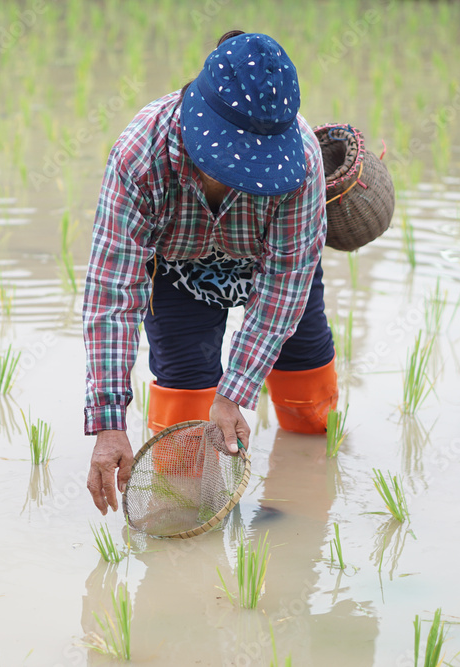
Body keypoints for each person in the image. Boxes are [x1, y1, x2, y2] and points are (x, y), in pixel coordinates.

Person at [83, 30, 337, 515]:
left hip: (274, 264)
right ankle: (190, 543)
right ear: (194, 126)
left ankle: (304, 508)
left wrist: (236, 392)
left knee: (310, 409)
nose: (241, 180)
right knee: (185, 422)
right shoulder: (142, 155)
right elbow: (111, 294)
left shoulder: (301, 159)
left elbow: (286, 282)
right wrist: (109, 423)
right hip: (177, 271)